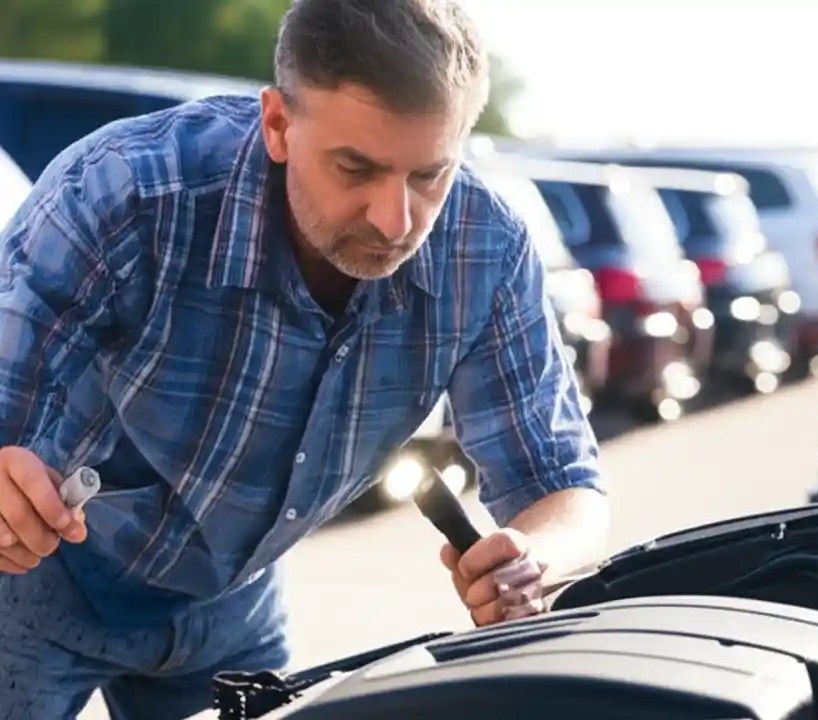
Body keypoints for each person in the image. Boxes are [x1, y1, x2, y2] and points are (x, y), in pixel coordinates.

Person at [0, 0, 610, 717]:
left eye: (428, 176)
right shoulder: (127, 192)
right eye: (356, 168)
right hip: (39, 587)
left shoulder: (486, 249)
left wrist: (531, 558)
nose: (396, 220)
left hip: (235, 607)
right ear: (278, 124)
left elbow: (563, 484)